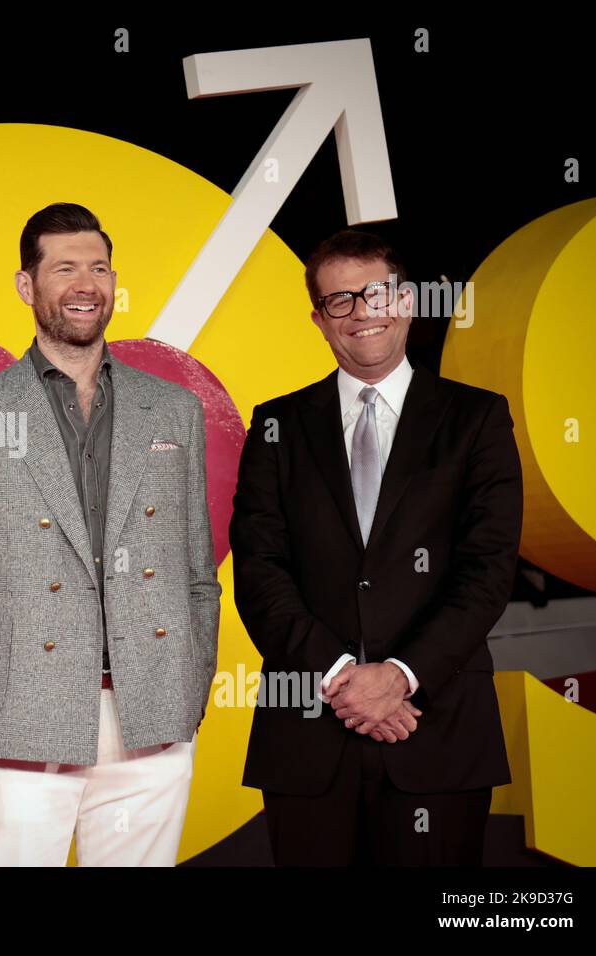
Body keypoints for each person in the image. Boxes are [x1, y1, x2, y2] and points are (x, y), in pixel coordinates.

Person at [0, 202, 221, 866]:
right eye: (65, 269)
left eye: (99, 268)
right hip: (20, 723)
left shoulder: (174, 409)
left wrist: (188, 692)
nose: (87, 285)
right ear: (27, 286)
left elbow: (199, 572)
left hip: (153, 721)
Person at [229, 229, 521, 865]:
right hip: (308, 736)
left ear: (408, 301)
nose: (361, 312)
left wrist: (401, 677)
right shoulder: (276, 423)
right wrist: (341, 680)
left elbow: (488, 568)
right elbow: (259, 569)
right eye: (339, 301)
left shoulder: (476, 418)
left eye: (377, 294)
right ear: (319, 320)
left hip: (436, 727)